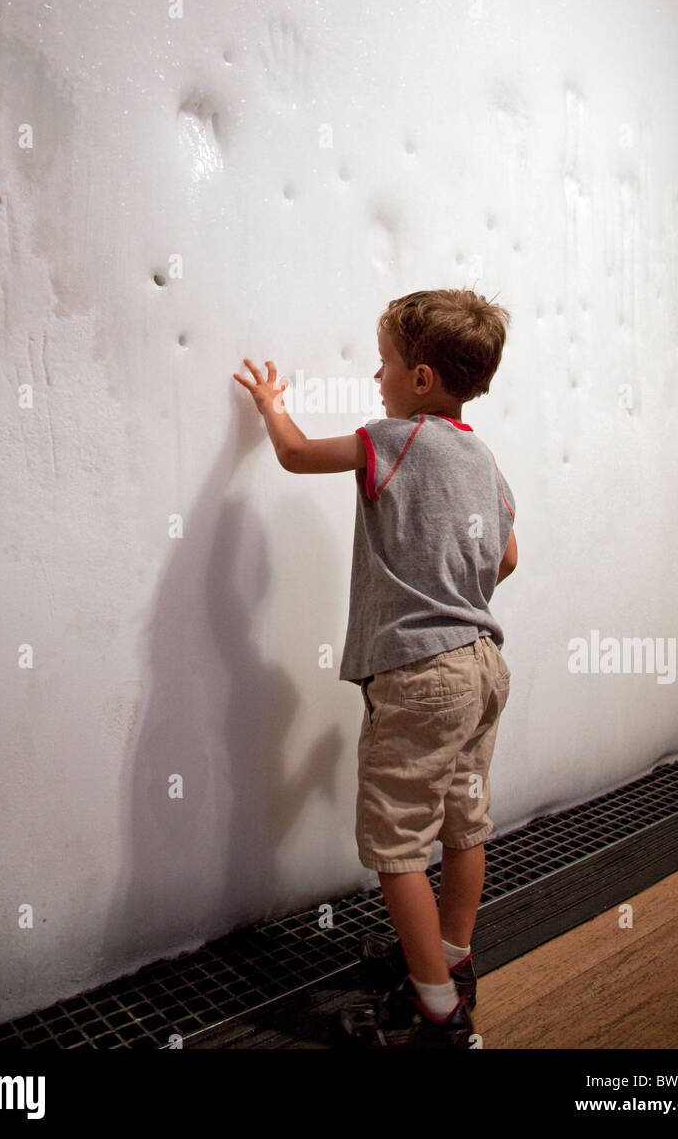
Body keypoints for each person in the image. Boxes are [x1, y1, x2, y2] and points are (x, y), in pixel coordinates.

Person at [233, 287, 517, 1048]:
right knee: (465, 823)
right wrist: (453, 583)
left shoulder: (392, 439)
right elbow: (509, 555)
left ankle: (432, 1010)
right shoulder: (483, 460)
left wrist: (269, 403)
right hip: (484, 663)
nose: (375, 375)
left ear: (420, 378)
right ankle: (451, 962)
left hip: (421, 675)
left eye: (385, 361)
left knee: (396, 847)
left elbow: (294, 455)